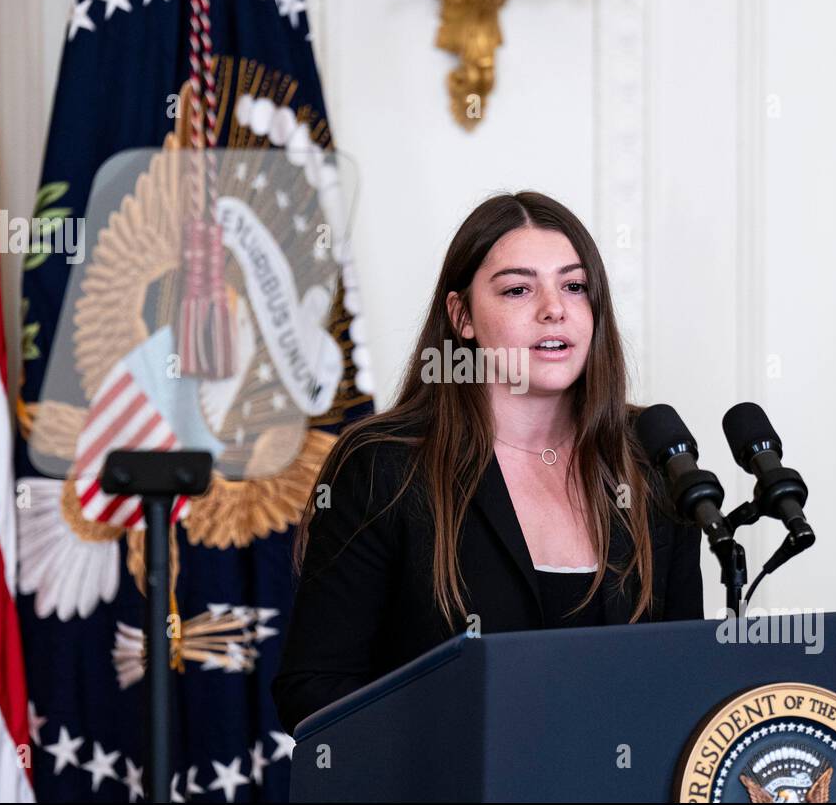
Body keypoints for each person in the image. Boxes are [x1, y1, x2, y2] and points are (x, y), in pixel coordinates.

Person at [271, 191, 704, 734]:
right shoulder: (382, 465)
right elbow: (315, 691)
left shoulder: (649, 461)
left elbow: (686, 681)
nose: (554, 308)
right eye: (519, 289)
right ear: (462, 317)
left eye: (574, 286)